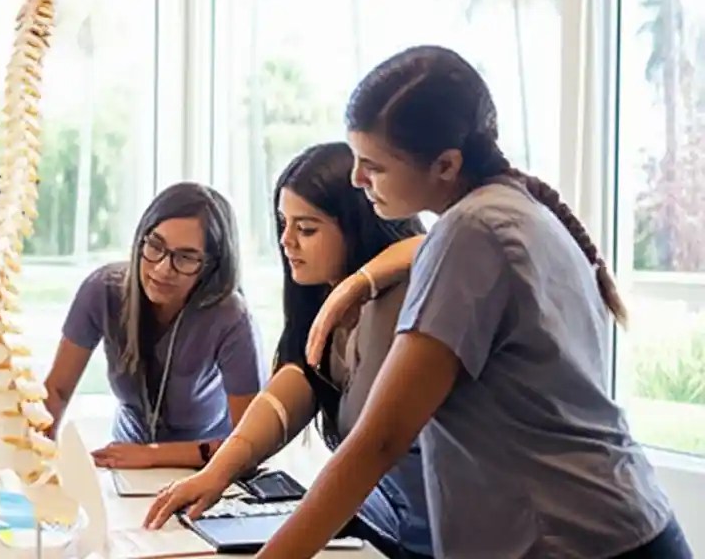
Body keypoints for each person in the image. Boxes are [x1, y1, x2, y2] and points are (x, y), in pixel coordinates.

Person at [255, 45, 689, 558]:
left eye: (373, 165)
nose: (357, 179)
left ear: (446, 164)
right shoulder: (514, 211)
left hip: (578, 540)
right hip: (624, 526)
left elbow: (382, 438)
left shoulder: (470, 233)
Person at [145, 144, 432, 558]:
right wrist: (216, 474)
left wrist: (360, 281)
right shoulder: (325, 303)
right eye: (284, 223)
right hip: (389, 526)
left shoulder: (405, 297)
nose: (286, 241)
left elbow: (440, 241)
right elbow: (296, 385)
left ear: (356, 226)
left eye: (307, 228)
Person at [44, 182, 265, 469]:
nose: (162, 268)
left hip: (207, 468)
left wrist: (152, 455)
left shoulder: (231, 318)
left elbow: (252, 444)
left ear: (213, 266)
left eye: (185, 257)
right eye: (155, 246)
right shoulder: (103, 290)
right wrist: (38, 463)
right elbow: (57, 391)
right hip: (127, 458)